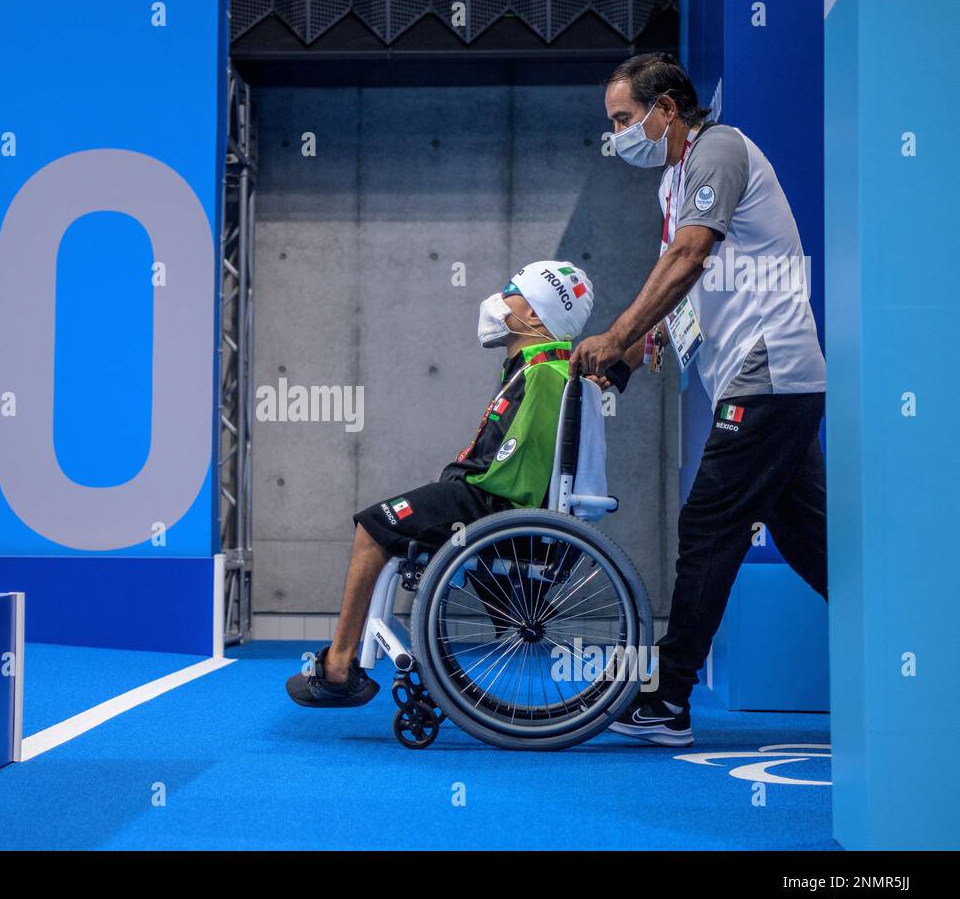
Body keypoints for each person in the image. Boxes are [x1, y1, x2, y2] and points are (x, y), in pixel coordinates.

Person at [572, 52, 828, 747]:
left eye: (625, 119)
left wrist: (614, 333)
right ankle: (909, 653)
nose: (619, 133)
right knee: (819, 544)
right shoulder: (672, 182)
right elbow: (682, 296)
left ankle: (668, 698)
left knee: (707, 526)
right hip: (762, 381)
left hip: (769, 374)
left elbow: (687, 259)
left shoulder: (717, 149)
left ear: (666, 110)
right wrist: (621, 364)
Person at [286, 261, 596, 707]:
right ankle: (353, 657)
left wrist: (461, 478)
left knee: (374, 527)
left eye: (510, 290)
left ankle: (338, 668)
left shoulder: (544, 373)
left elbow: (517, 472)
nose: (497, 299)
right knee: (395, 526)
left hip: (492, 504)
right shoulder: (534, 367)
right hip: (488, 499)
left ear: (532, 315)